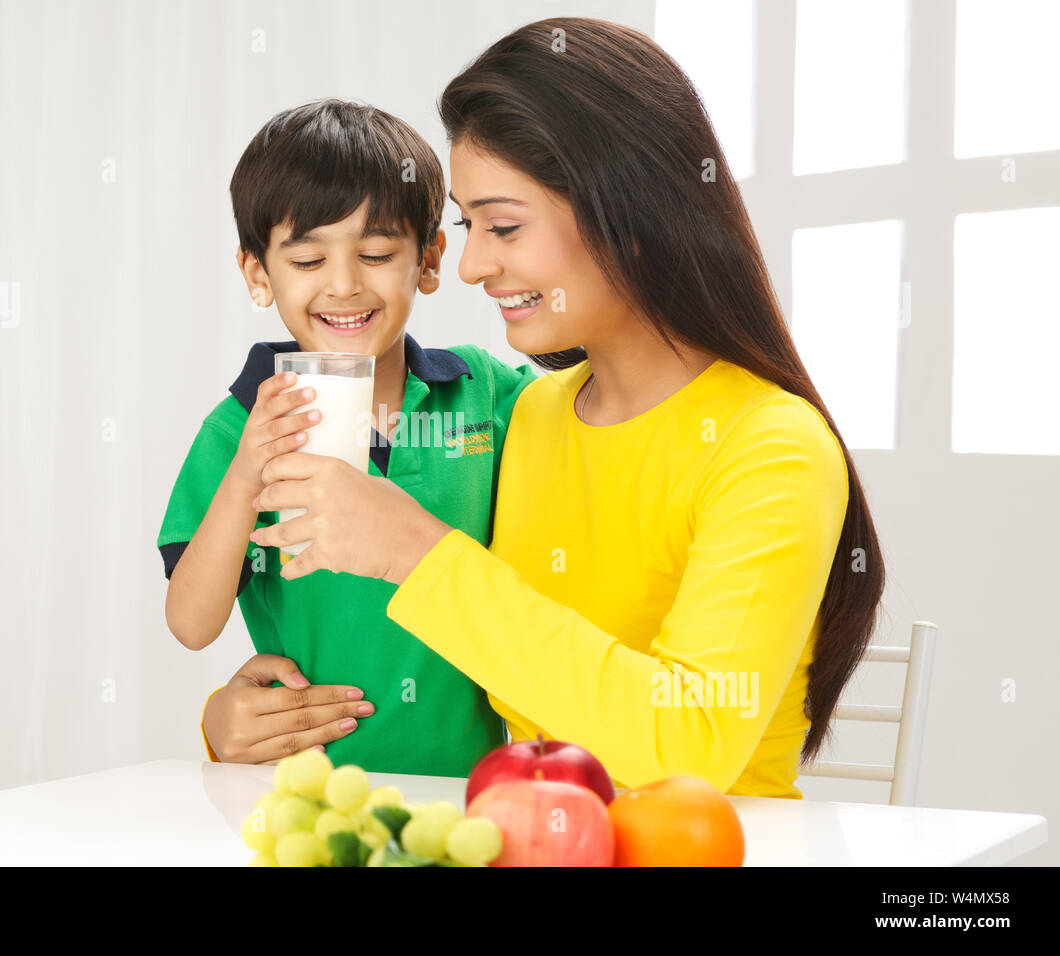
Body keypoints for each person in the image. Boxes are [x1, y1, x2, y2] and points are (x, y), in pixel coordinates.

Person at [235, 20, 887, 799]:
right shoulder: (532, 414)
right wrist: (244, 716)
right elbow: (468, 666)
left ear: (632, 212)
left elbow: (686, 747)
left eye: (504, 225)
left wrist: (420, 551)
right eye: (468, 227)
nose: (473, 264)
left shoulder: (769, 448)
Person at [158, 99, 536, 775]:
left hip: (471, 793)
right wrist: (248, 475)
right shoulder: (237, 430)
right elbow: (191, 624)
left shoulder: (482, 393)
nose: (343, 284)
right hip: (302, 787)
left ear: (428, 259)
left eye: (376, 253)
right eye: (306, 259)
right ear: (256, 273)